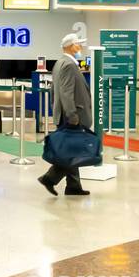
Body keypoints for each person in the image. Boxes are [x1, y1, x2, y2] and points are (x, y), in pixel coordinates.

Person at [38, 32, 93, 197]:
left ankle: (73, 186)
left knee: (72, 149)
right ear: (71, 46)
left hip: (64, 114)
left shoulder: (59, 63)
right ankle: (49, 178)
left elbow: (54, 90)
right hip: (71, 116)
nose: (81, 47)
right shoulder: (68, 65)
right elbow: (66, 93)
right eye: (78, 44)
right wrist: (72, 115)